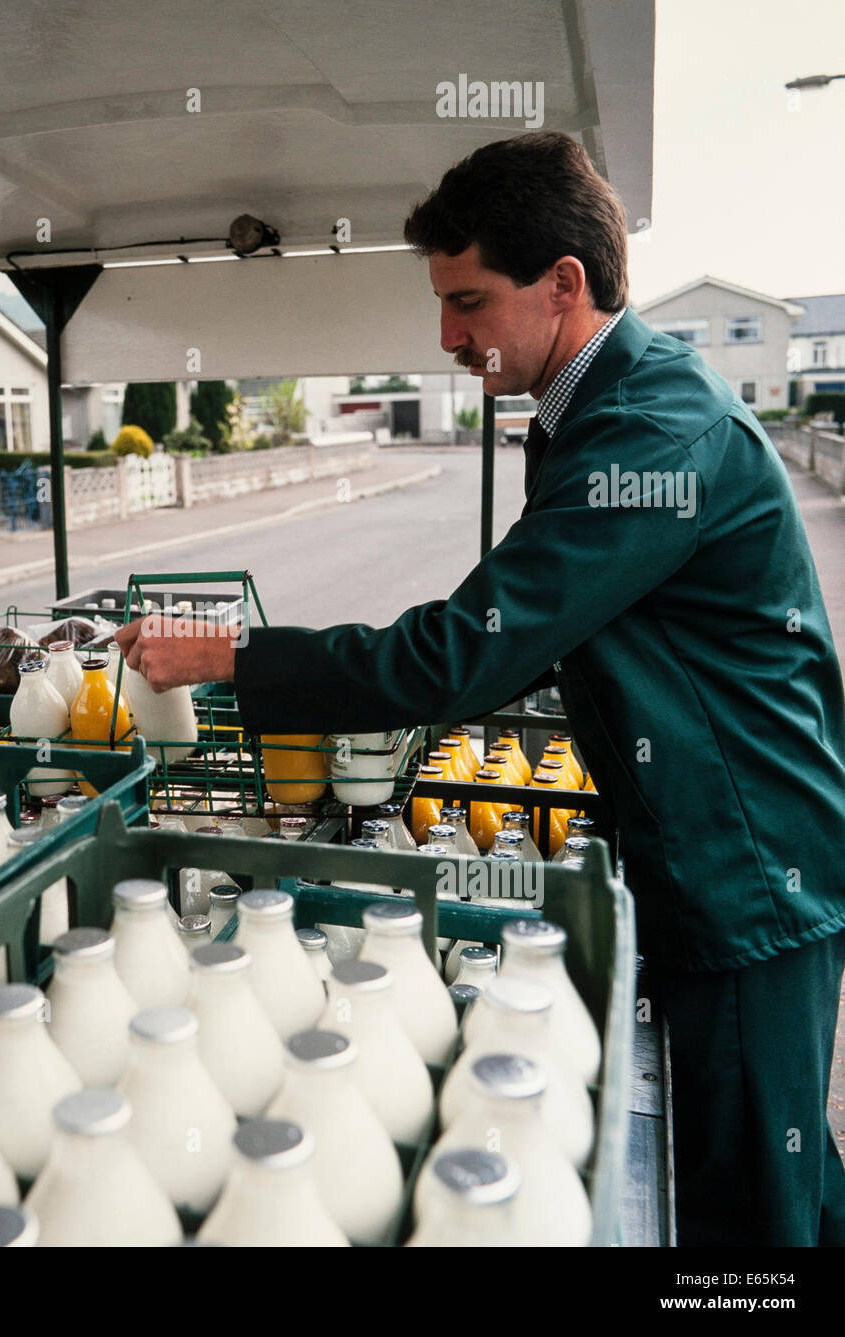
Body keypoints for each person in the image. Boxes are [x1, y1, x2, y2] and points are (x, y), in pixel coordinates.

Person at [115, 131, 845, 1247]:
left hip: (747, 872)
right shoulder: (600, 407)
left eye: (468, 301)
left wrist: (226, 657)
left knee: (756, 1205)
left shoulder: (649, 431)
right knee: (770, 1166)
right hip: (722, 845)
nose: (447, 336)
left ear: (563, 284)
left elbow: (460, 653)